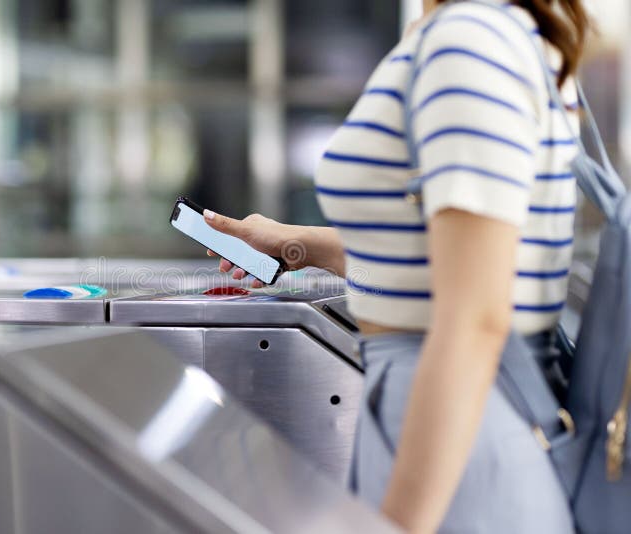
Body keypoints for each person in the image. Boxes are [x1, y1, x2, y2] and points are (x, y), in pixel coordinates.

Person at [203, 0, 589, 532]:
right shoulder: (478, 33)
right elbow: (439, 269)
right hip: (450, 430)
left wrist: (402, 522)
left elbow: (475, 316)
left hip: (460, 451)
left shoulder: (468, 39)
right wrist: (297, 244)